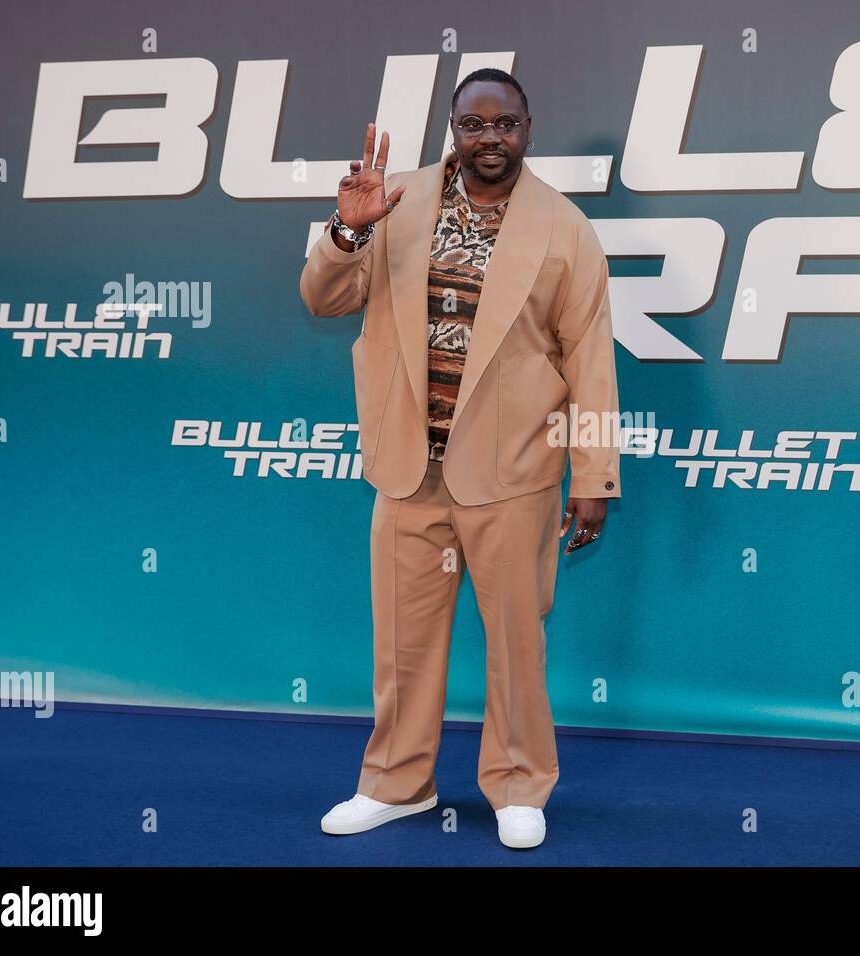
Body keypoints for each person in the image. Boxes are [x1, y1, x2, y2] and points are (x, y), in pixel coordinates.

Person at [299, 68, 621, 849]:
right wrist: (349, 233)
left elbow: (590, 360)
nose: (490, 138)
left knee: (516, 639)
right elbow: (322, 299)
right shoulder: (396, 204)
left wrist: (594, 475)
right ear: (452, 129)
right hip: (410, 467)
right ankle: (396, 783)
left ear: (528, 129)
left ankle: (518, 786)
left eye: (504, 124)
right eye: (474, 124)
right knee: (402, 645)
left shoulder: (565, 227)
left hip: (513, 473)